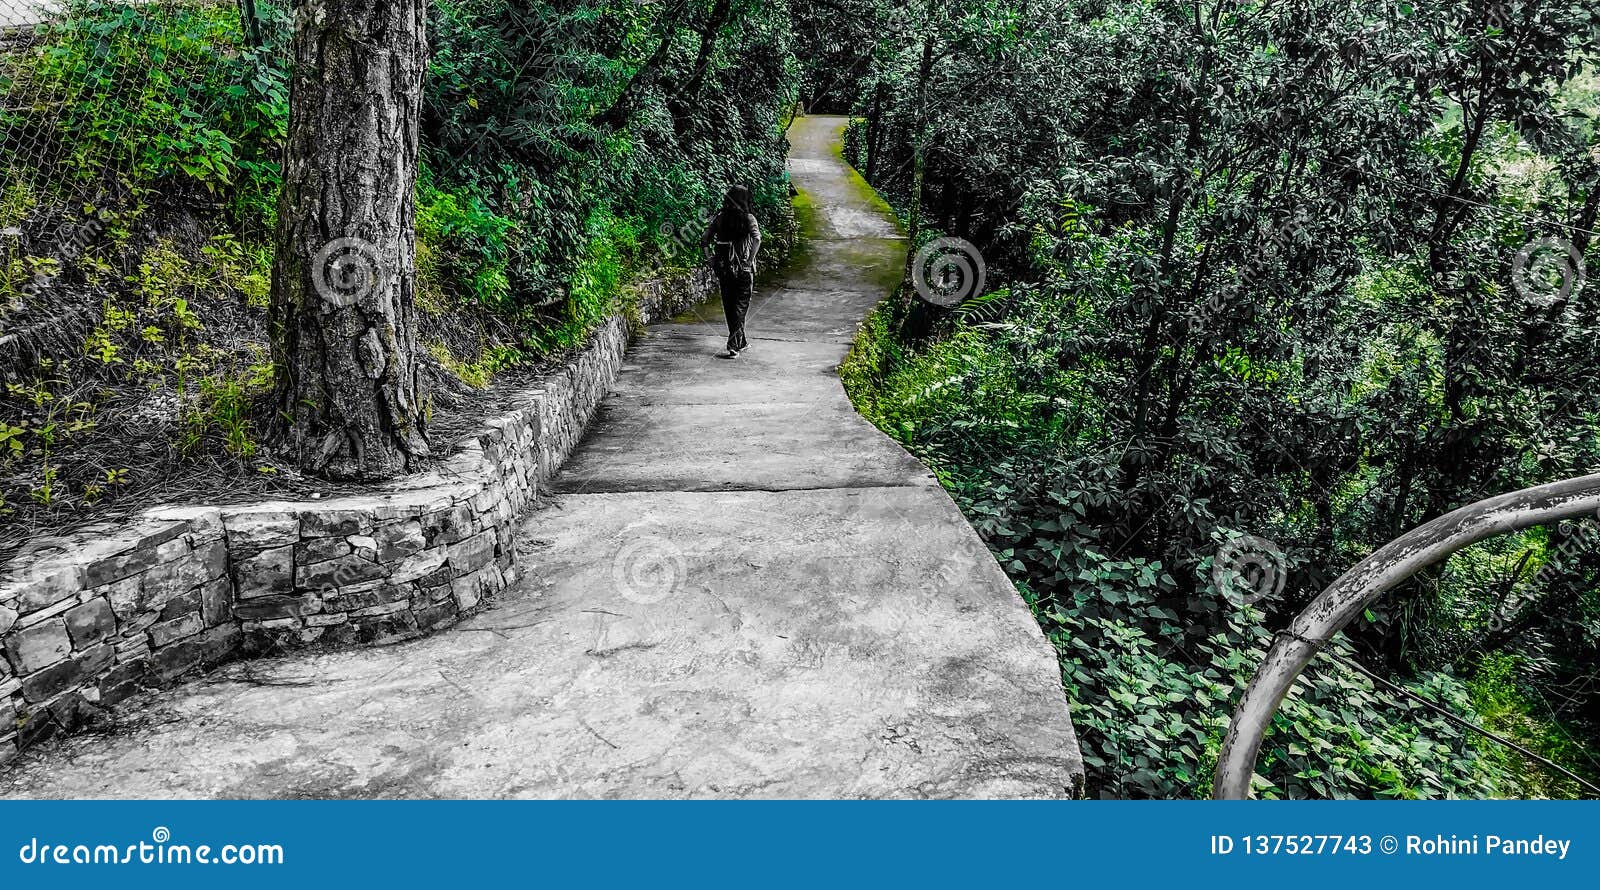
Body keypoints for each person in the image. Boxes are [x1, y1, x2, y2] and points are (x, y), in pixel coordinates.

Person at [702, 185, 761, 358]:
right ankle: (733, 345)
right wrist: (749, 260)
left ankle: (740, 342)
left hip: (723, 267)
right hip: (743, 267)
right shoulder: (748, 218)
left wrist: (710, 258)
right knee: (741, 305)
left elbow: (704, 238)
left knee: (729, 304)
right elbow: (757, 238)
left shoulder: (720, 218)